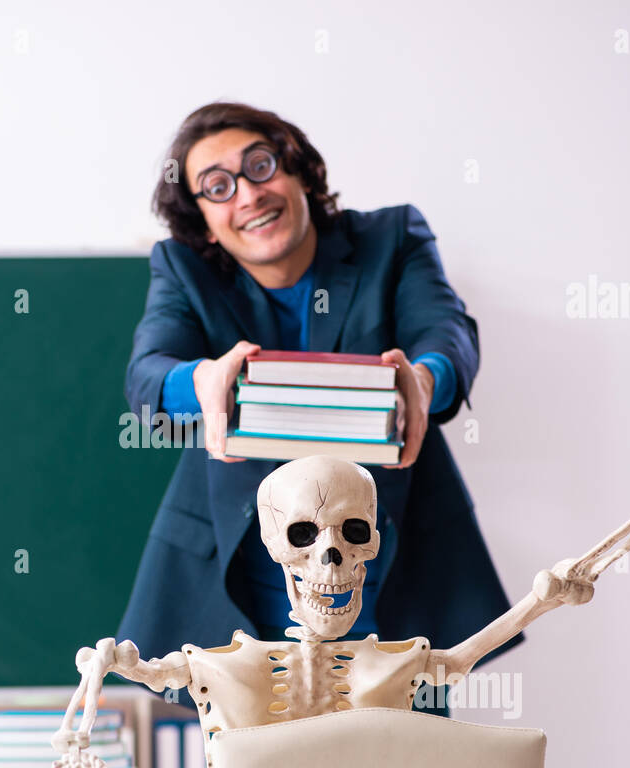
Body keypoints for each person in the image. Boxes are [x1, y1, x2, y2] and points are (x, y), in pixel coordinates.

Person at [118, 102, 524, 716]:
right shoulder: (183, 267)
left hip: (386, 542)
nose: (248, 195)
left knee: (401, 753)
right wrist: (200, 382)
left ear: (300, 170)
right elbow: (146, 375)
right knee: (252, 764)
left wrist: (424, 379)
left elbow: (447, 334)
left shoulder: (391, 238)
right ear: (203, 221)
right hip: (250, 552)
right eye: (218, 187)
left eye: (261, 166)